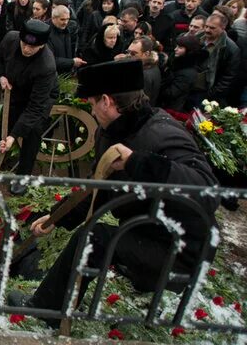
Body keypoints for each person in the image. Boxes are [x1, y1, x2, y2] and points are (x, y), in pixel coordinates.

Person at [13, 59, 218, 324]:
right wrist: (56, 218)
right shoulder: (110, 132)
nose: (90, 107)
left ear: (107, 101)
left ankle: (47, 310)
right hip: (147, 228)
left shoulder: (161, 133)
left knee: (93, 238)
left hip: (179, 247)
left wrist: (138, 162)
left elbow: (208, 192)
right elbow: (99, 188)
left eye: (91, 102)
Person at [0, 20, 58, 195]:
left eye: (33, 47)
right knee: (4, 125)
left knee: (32, 134)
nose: (26, 49)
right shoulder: (10, 39)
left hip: (40, 98)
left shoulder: (46, 65)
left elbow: (35, 107)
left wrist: (14, 136)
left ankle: (23, 177)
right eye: (24, 44)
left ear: (42, 45)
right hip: (15, 89)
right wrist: (0, 75)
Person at [159, 34, 207, 113]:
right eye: (176, 46)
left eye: (180, 48)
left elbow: (171, 93)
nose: (175, 49)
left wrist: (160, 84)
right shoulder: (176, 62)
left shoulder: (188, 73)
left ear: (189, 51)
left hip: (170, 109)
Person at [47, 5, 83, 74]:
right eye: (62, 19)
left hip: (65, 74)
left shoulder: (66, 31)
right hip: (52, 75)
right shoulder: (46, 33)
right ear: (53, 18)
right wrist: (72, 62)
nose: (66, 22)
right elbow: (49, 60)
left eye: (67, 19)